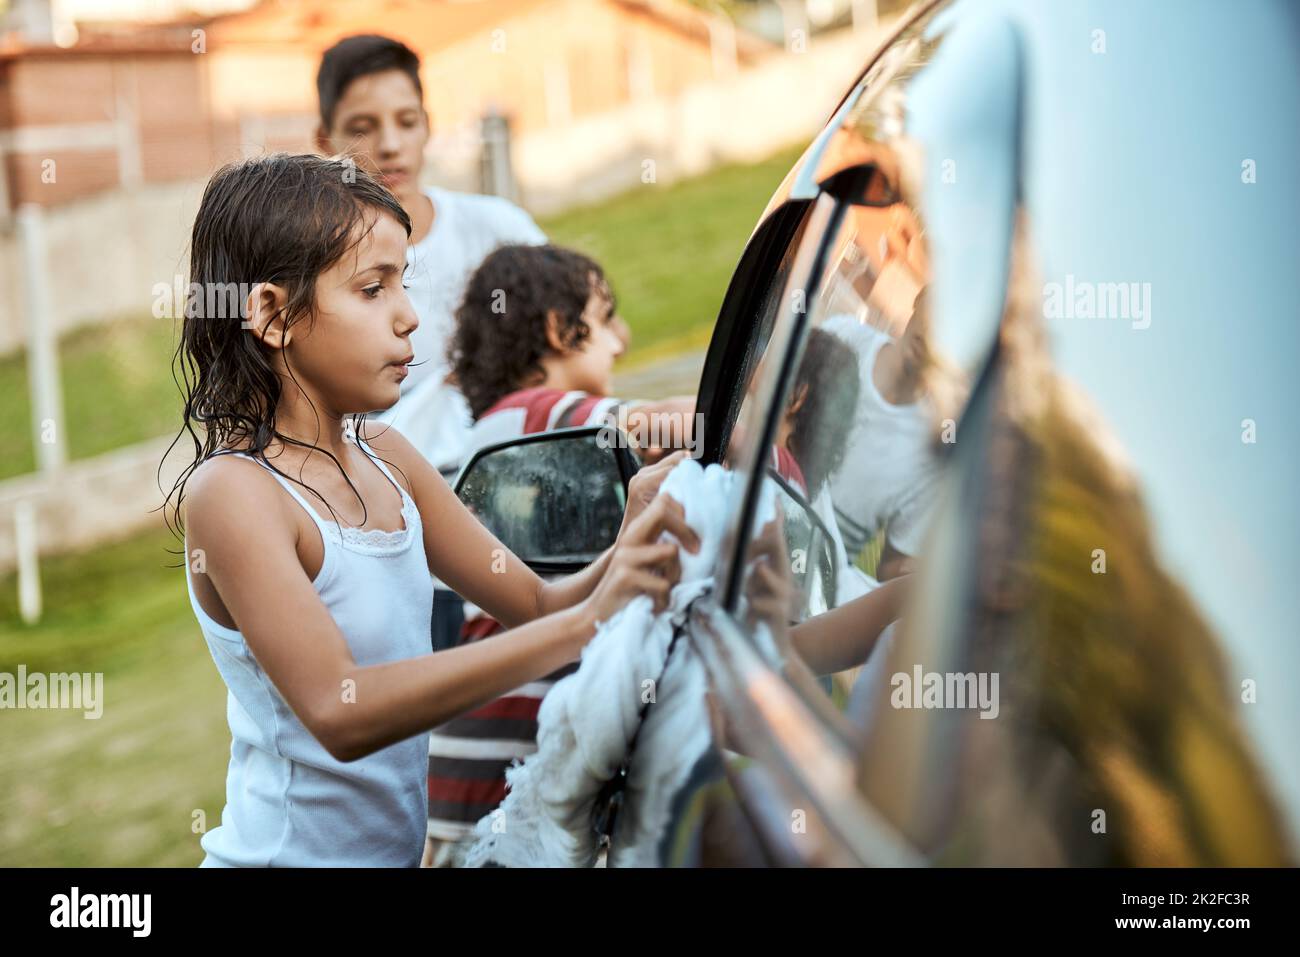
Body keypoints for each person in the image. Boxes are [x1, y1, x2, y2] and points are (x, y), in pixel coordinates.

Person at [167, 154, 698, 867]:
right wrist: (586, 621)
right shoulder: (235, 493)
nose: (410, 315)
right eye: (371, 288)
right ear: (270, 313)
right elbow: (341, 708)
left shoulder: (391, 456)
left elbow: (537, 601)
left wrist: (627, 538)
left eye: (403, 282)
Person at [419, 243, 695, 865]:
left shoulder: (527, 444)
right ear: (555, 330)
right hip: (505, 785)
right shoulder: (532, 417)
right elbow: (667, 424)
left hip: (472, 782)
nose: (622, 340)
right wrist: (762, 413)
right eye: (605, 317)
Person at [313, 34, 567, 649]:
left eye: (407, 121)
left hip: (518, 516)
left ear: (429, 125)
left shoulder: (497, 231)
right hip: (398, 537)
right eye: (363, 126)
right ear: (325, 142)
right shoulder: (318, 273)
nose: (392, 144)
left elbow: (574, 345)